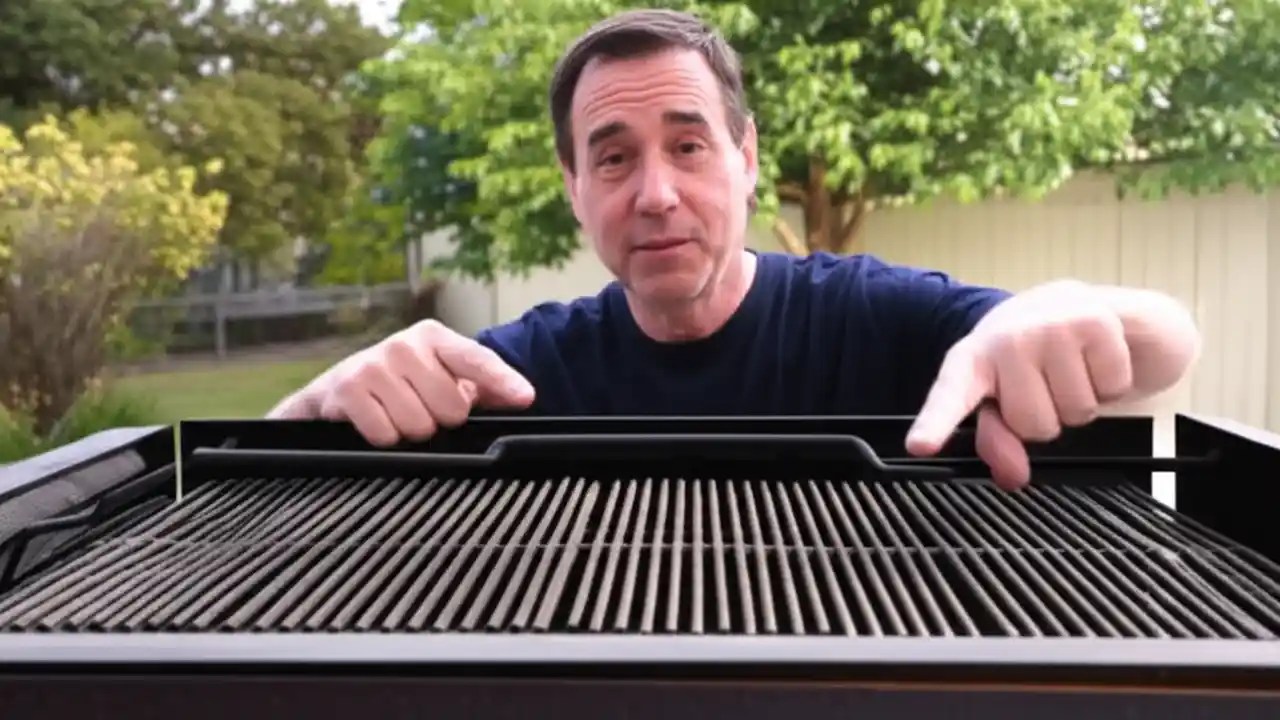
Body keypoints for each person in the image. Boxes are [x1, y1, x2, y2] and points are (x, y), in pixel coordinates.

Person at [268, 9, 1201, 491]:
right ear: (573, 187)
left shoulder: (869, 314)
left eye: (688, 145)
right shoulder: (517, 374)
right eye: (614, 158)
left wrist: (1067, 307)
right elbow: (259, 483)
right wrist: (314, 407)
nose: (656, 193)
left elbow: (1164, 347)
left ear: (746, 159)